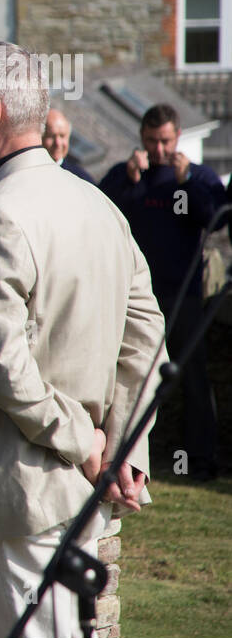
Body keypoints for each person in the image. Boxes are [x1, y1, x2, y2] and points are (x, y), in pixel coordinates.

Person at [0, 42, 165, 638]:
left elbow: (7, 370)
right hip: (74, 493)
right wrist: (126, 446)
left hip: (20, 496)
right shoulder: (99, 206)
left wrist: (91, 446)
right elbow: (147, 337)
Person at [100, 104, 224, 482]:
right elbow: (100, 213)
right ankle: (123, 458)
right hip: (135, 299)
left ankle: (199, 462)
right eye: (152, 141)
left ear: (178, 137)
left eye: (165, 141)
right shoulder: (127, 176)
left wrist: (188, 183)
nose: (158, 149)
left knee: (193, 379)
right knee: (128, 379)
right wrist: (128, 181)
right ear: (141, 138)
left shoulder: (195, 177)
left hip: (183, 295)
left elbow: (217, 217)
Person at [42, 108, 94, 183]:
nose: (58, 143)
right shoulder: (24, 165)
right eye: (51, 136)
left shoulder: (82, 180)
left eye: (62, 136)